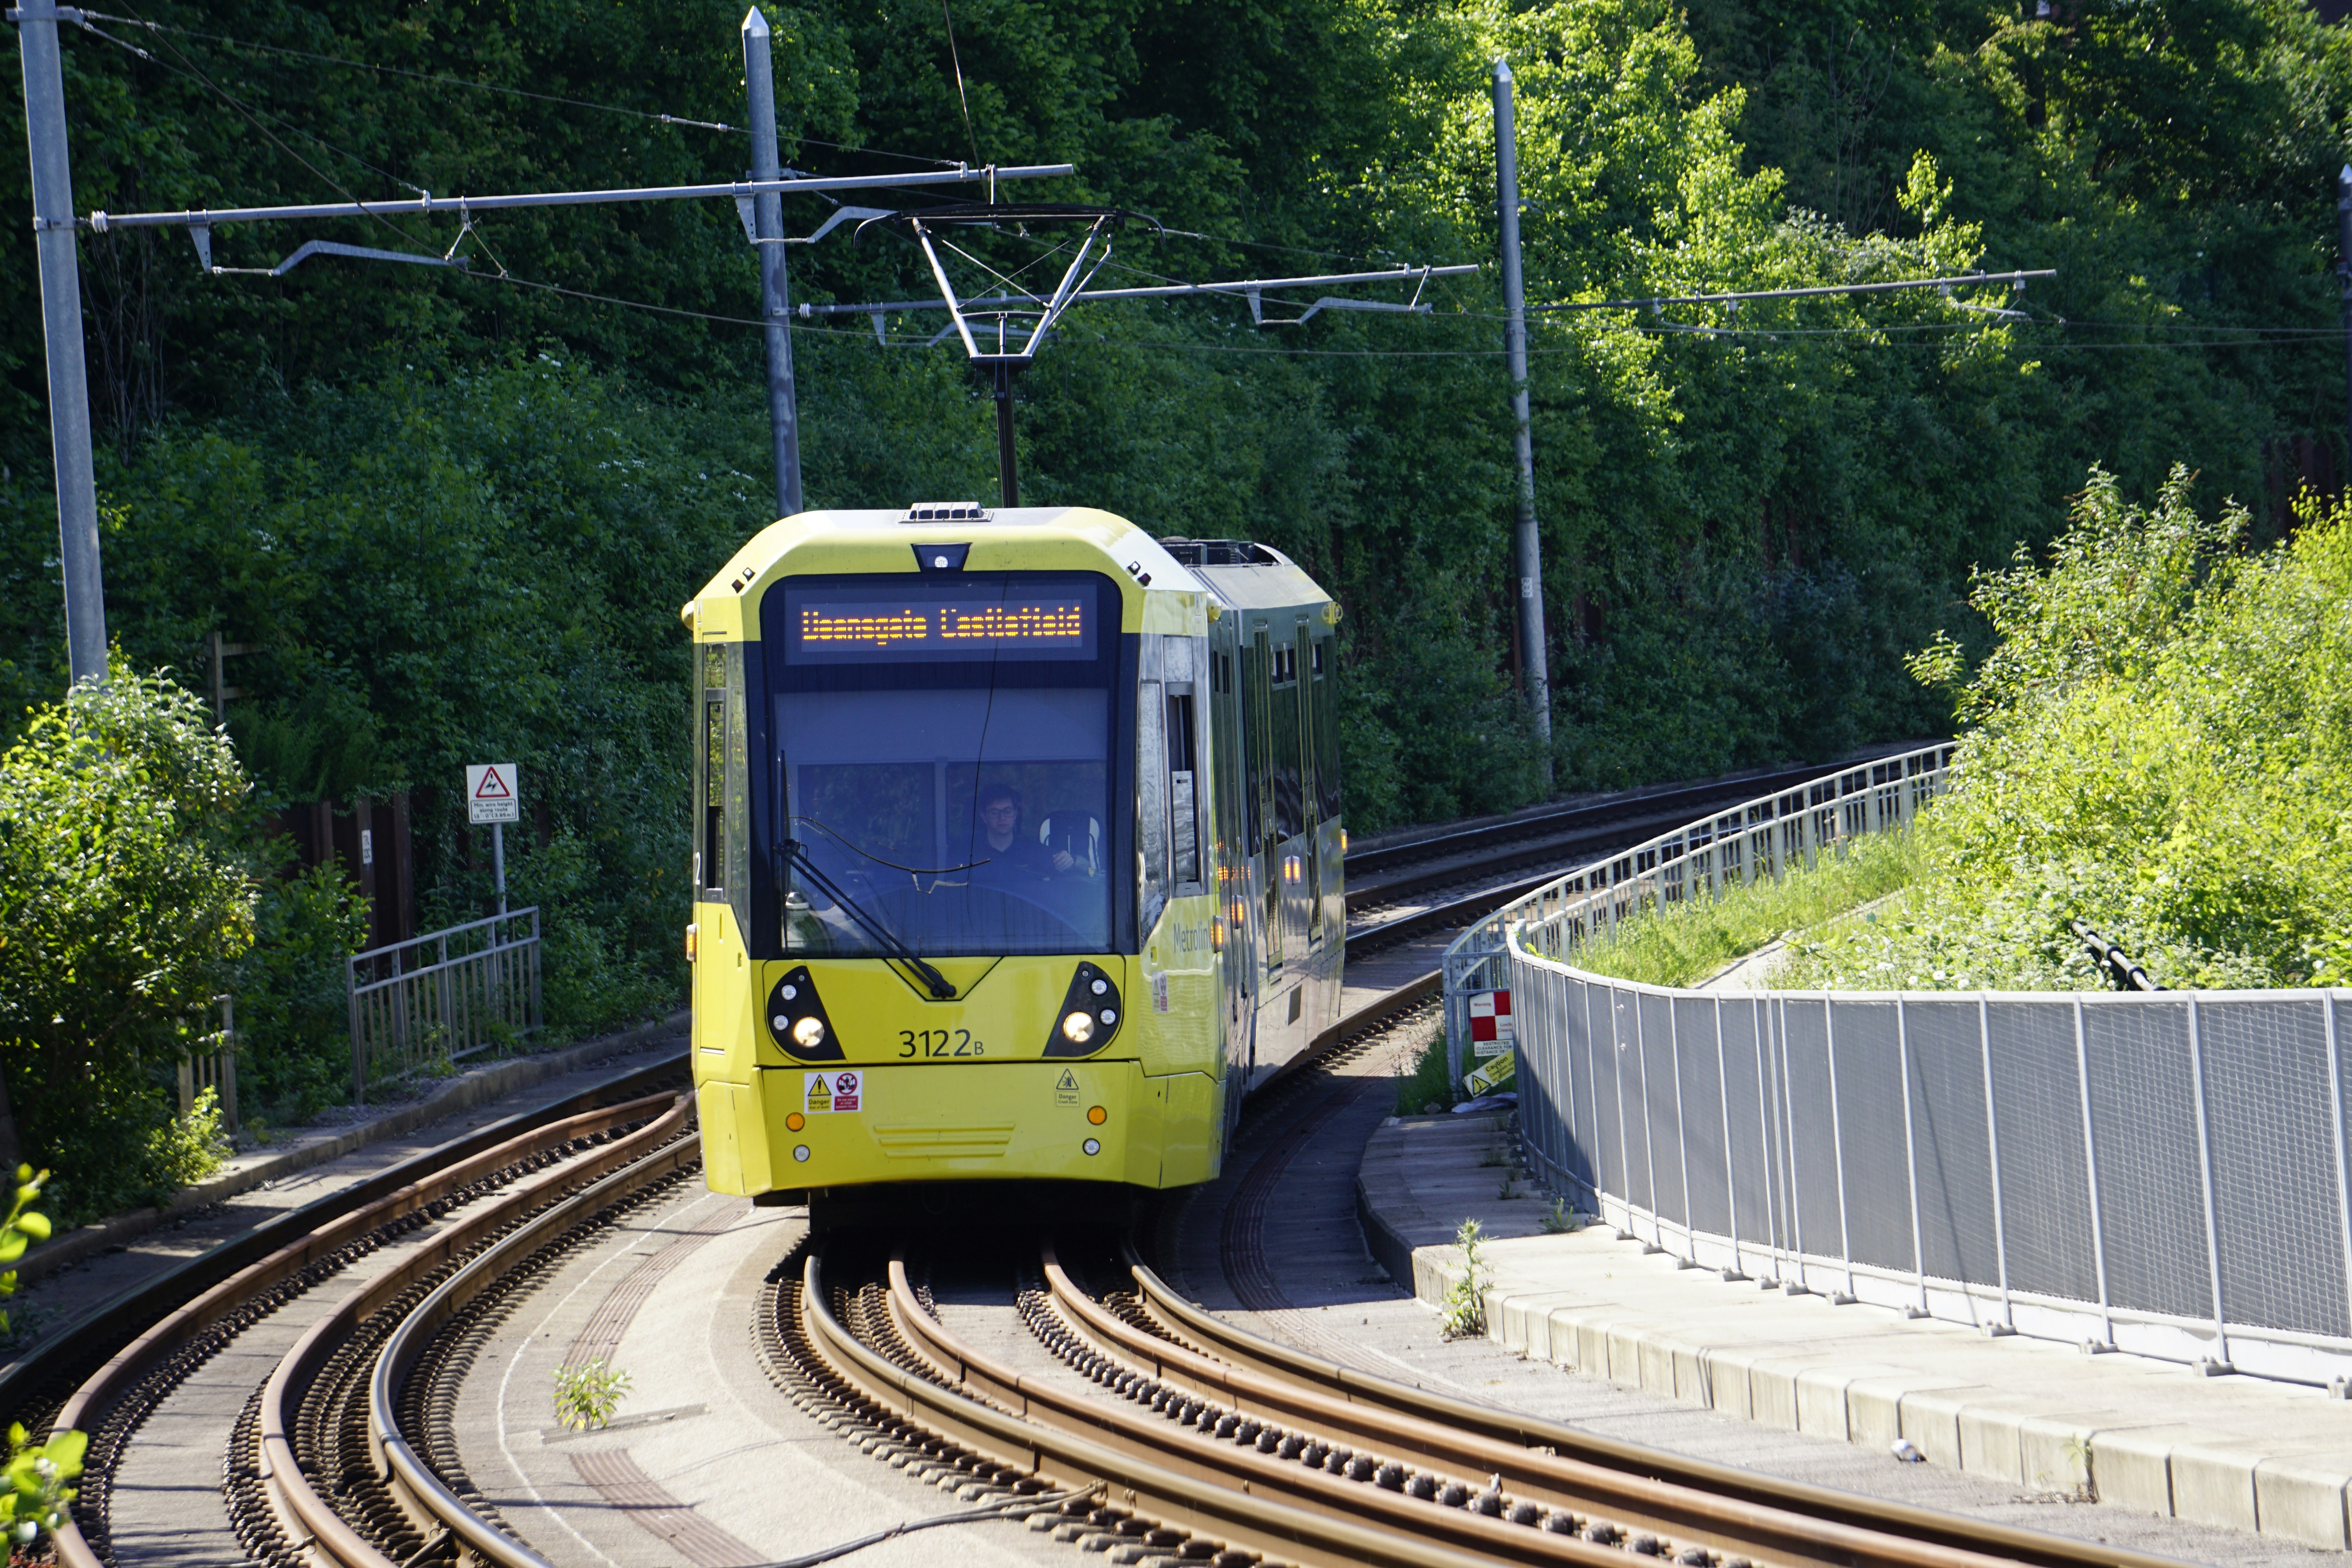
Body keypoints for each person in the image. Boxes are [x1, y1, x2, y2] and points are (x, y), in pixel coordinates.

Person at [975, 782, 1072, 878]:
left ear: (1015, 814)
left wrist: (1071, 860)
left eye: (1007, 811)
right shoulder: (969, 853)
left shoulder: (1034, 851)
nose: (1002, 818)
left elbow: (1084, 867)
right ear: (984, 816)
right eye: (995, 812)